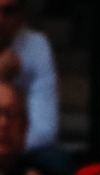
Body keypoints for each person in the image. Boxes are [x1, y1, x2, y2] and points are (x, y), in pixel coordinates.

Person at [0, 0, 59, 164]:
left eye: (9, 11)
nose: (0, 19)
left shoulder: (36, 45)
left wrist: (10, 148)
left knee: (55, 161)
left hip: (20, 150)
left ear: (22, 17)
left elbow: (45, 130)